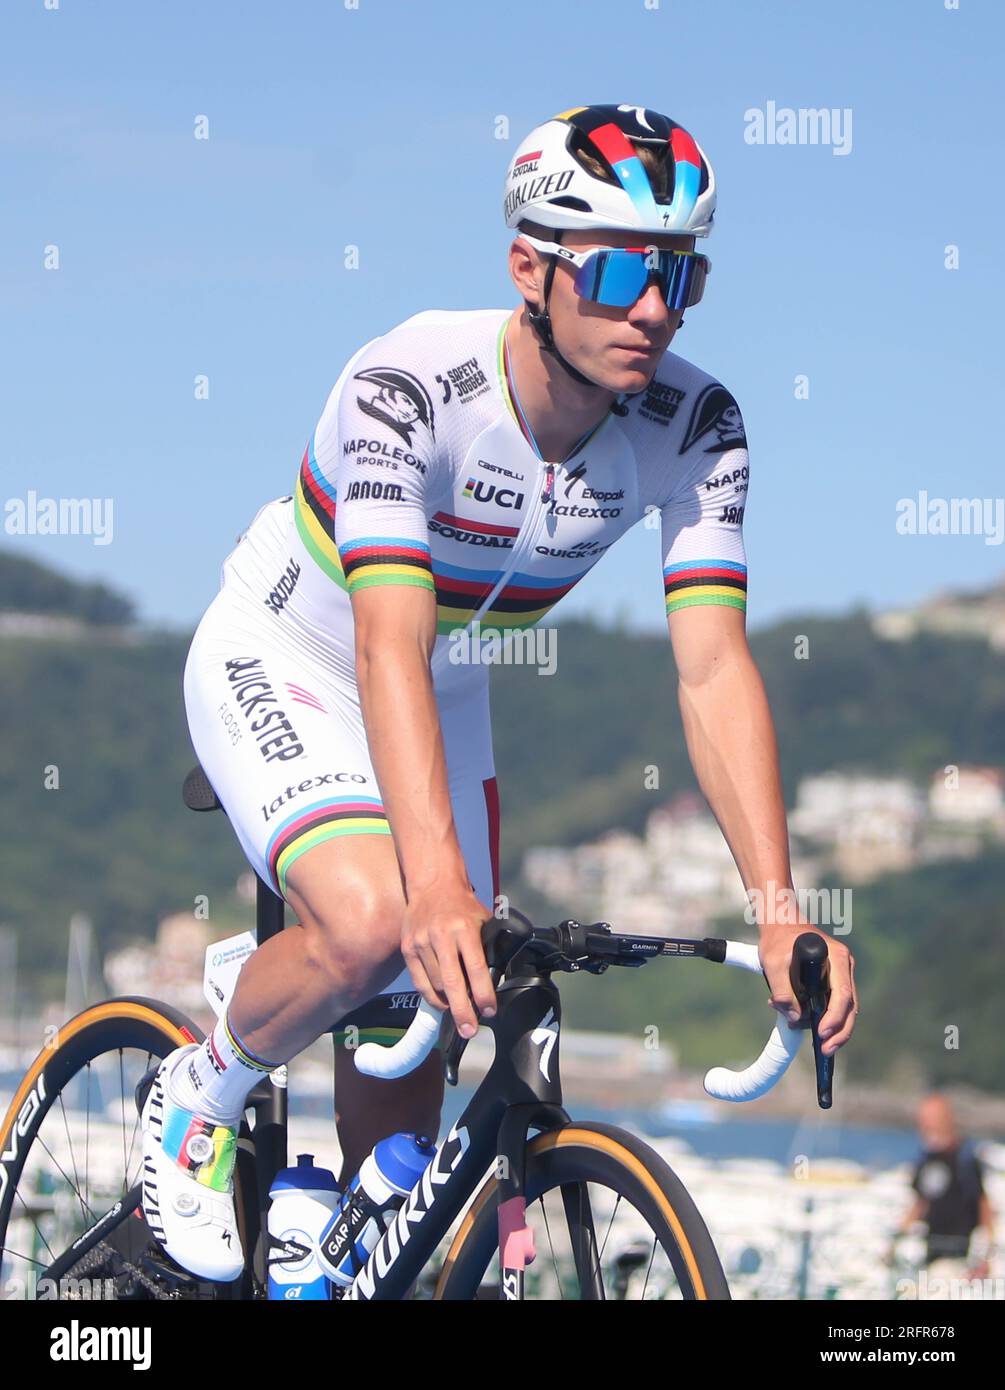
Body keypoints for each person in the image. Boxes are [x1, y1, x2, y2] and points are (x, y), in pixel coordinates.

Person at [141, 103, 858, 1281]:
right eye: (623, 269)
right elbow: (384, 641)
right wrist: (427, 887)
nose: (654, 310)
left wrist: (779, 906)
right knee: (388, 921)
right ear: (530, 266)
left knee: (442, 1042)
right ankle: (201, 1084)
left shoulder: (700, 425)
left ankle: (329, 1213)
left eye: (683, 275)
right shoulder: (408, 385)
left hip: (448, 687)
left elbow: (713, 662)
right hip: (292, 652)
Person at [891, 1093, 995, 1296]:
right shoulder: (927, 1158)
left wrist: (985, 1256)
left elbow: (983, 1205)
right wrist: (895, 1241)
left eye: (929, 1117)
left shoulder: (964, 1158)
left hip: (958, 1258)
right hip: (930, 1255)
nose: (923, 1124)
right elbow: (921, 1201)